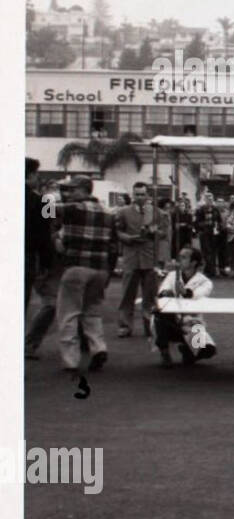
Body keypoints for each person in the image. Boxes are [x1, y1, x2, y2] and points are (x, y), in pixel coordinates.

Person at [52, 176, 115, 372]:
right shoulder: (108, 212)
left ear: (83, 189)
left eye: (72, 190)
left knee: (68, 314)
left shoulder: (73, 209)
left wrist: (49, 194)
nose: (68, 193)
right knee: (92, 311)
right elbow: (113, 245)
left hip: (76, 266)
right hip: (100, 268)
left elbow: (46, 213)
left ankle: (71, 361)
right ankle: (98, 348)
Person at [115, 181, 170, 337]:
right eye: (136, 194)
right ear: (133, 195)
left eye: (142, 194)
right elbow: (118, 231)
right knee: (127, 294)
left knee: (150, 295)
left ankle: (150, 325)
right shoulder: (123, 212)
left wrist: (154, 233)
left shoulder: (157, 212)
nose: (139, 197)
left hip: (149, 257)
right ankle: (125, 326)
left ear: (147, 195)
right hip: (131, 257)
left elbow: (164, 232)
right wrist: (128, 238)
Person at [153, 247, 217, 366]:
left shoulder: (205, 282)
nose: (179, 260)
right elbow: (162, 292)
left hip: (192, 322)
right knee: (160, 314)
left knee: (209, 350)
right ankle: (164, 352)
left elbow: (199, 294)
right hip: (171, 321)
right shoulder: (172, 276)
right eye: (179, 257)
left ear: (193, 262)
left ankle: (188, 351)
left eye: (183, 257)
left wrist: (185, 292)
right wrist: (167, 293)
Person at [26, 158, 56, 313]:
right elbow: (47, 231)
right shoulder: (45, 201)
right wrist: (47, 263)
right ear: (30, 175)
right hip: (28, 257)